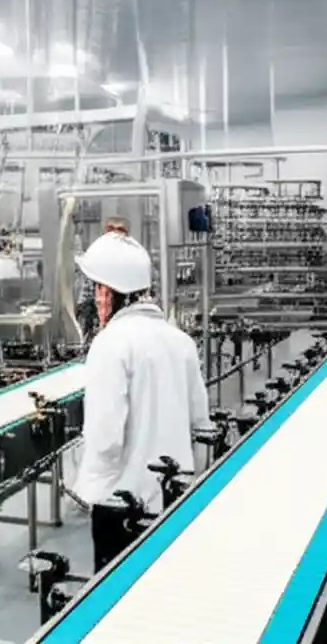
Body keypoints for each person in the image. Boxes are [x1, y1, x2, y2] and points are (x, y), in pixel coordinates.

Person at [68, 232, 210, 564]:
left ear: (108, 292)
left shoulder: (110, 344)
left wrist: (84, 485)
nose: (95, 300)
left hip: (122, 507)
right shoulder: (180, 342)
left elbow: (105, 440)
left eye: (96, 290)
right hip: (175, 497)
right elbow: (201, 425)